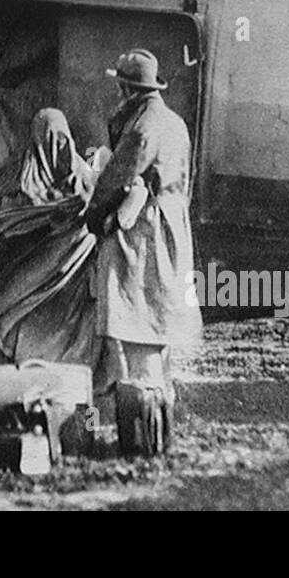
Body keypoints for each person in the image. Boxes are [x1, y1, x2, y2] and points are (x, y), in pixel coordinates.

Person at [83, 48, 201, 446]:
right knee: (158, 320)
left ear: (128, 88)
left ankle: (141, 424)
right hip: (173, 225)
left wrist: (95, 218)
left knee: (135, 316)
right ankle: (156, 423)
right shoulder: (176, 124)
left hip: (145, 231)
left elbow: (115, 179)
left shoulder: (142, 127)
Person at [0, 107, 98, 365]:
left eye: (63, 139)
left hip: (63, 294)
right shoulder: (14, 184)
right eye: (52, 139)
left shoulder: (83, 178)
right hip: (20, 280)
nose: (59, 148)